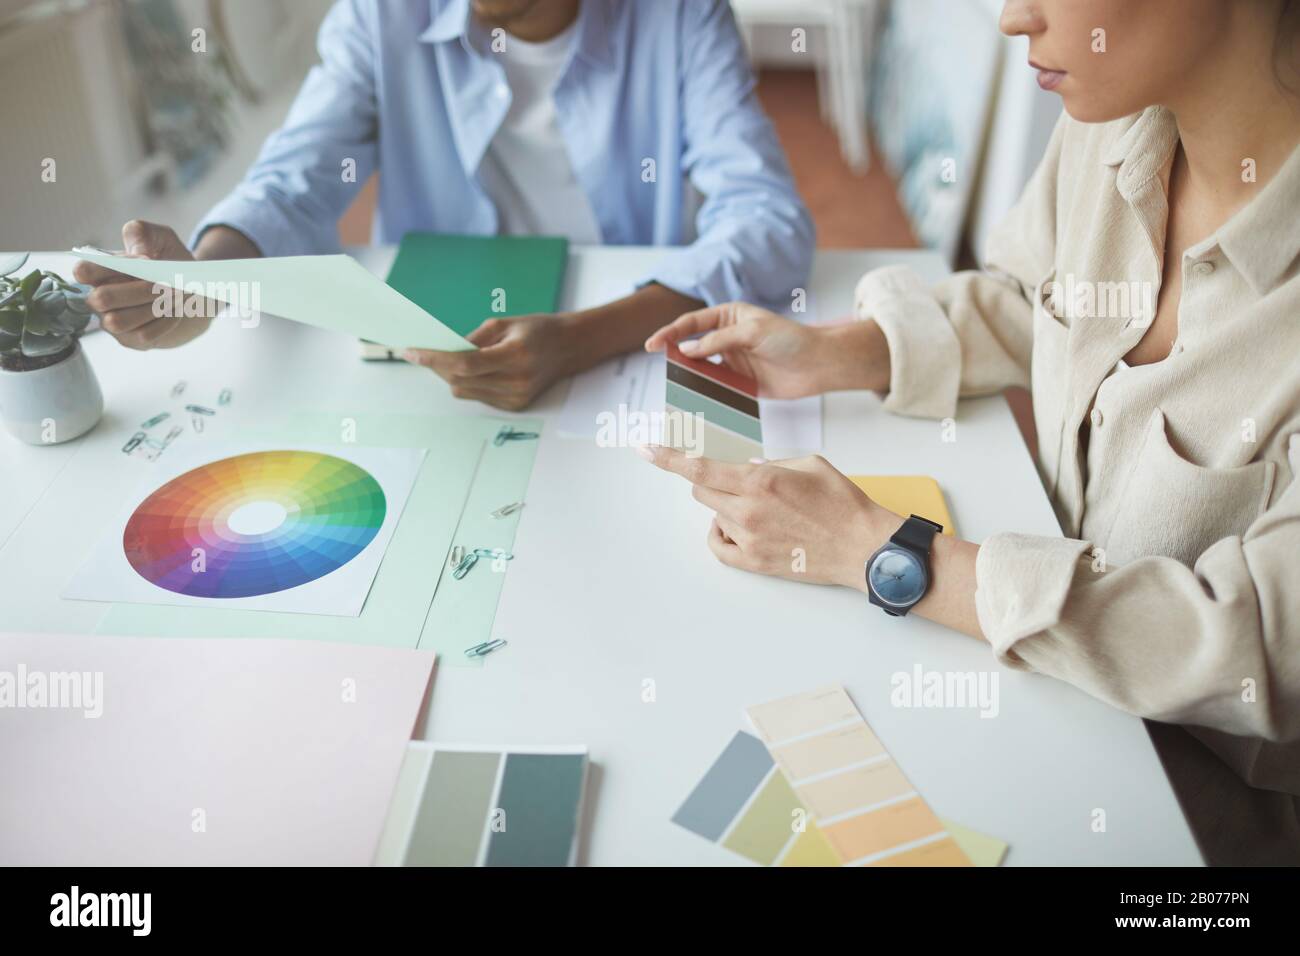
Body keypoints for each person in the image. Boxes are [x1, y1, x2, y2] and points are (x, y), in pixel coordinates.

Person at [641, 0, 1300, 865]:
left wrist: (882, 550)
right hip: (1051, 697)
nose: (1011, 18)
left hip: (1200, 823)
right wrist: (844, 351)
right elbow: (1036, 301)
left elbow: (1260, 646)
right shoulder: (1115, 125)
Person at [74, 0, 812, 410]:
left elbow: (766, 216)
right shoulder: (380, 17)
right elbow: (294, 175)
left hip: (627, 345)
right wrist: (205, 282)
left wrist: (582, 339)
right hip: (434, 365)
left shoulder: (680, 18)